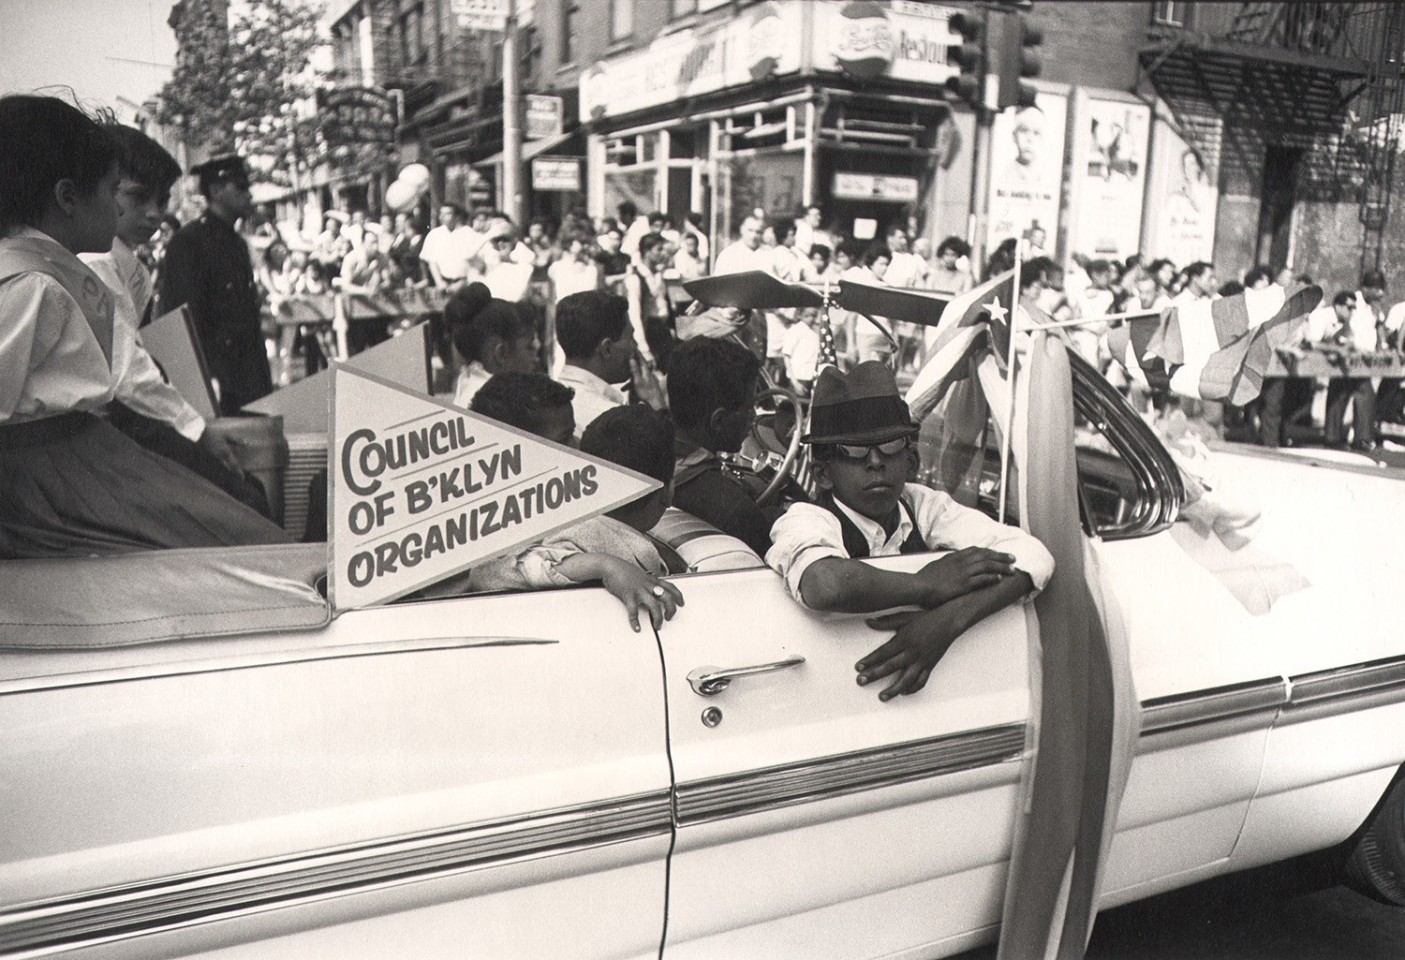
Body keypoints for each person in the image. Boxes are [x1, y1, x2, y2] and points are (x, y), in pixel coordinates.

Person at [0, 94, 288, 558]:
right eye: (112, 190)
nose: (119, 210)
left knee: (238, 529)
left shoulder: (50, 271)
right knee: (245, 542)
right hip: (58, 474)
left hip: (81, 456)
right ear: (68, 198)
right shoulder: (32, 283)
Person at [765, 362, 1054, 700]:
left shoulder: (922, 506)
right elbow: (826, 584)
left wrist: (947, 622)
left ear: (912, 461)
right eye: (854, 450)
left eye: (890, 445)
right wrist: (927, 585)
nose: (876, 462)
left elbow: (1035, 556)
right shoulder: (806, 519)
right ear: (823, 474)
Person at [80, 122, 269, 516]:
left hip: (178, 393)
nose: (155, 213)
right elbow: (151, 347)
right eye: (137, 197)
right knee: (239, 501)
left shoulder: (127, 262)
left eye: (163, 199)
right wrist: (194, 422)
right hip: (126, 418)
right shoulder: (102, 261)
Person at [429, 375, 685, 632]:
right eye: (565, 439)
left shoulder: (543, 501)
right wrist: (606, 565)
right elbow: (489, 571)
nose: (578, 447)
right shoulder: (484, 521)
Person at [157, 153, 272, 415]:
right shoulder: (189, 242)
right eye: (240, 187)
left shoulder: (237, 243)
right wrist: (202, 379)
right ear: (216, 190)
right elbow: (181, 319)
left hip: (247, 377)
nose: (249, 195)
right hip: (216, 378)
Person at [668, 337, 787, 558]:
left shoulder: (651, 457)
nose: (754, 417)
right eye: (749, 408)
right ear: (719, 421)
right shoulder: (736, 510)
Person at [553, 289, 635, 438]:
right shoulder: (612, 419)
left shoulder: (548, 407)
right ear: (607, 349)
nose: (635, 347)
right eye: (630, 338)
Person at [448, 282, 540, 408]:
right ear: (501, 353)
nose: (537, 348)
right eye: (529, 347)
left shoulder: (470, 384)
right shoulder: (493, 405)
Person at [1309, 289, 1377, 450]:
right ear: (1338, 306)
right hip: (1306, 357)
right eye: (1349, 307)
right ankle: (1332, 437)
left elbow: (1347, 342)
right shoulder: (1322, 317)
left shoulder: (1345, 321)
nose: (1352, 311)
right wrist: (1335, 349)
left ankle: (1356, 437)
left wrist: (1357, 350)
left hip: (1333, 361)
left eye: (1354, 308)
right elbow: (1310, 342)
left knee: (1360, 387)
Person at [420, 203, 475, 288]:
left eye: (447, 214)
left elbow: (475, 264)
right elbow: (432, 262)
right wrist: (439, 282)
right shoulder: (434, 234)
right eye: (441, 213)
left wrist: (463, 283)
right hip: (443, 284)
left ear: (457, 217)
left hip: (465, 284)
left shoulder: (469, 233)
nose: (442, 217)